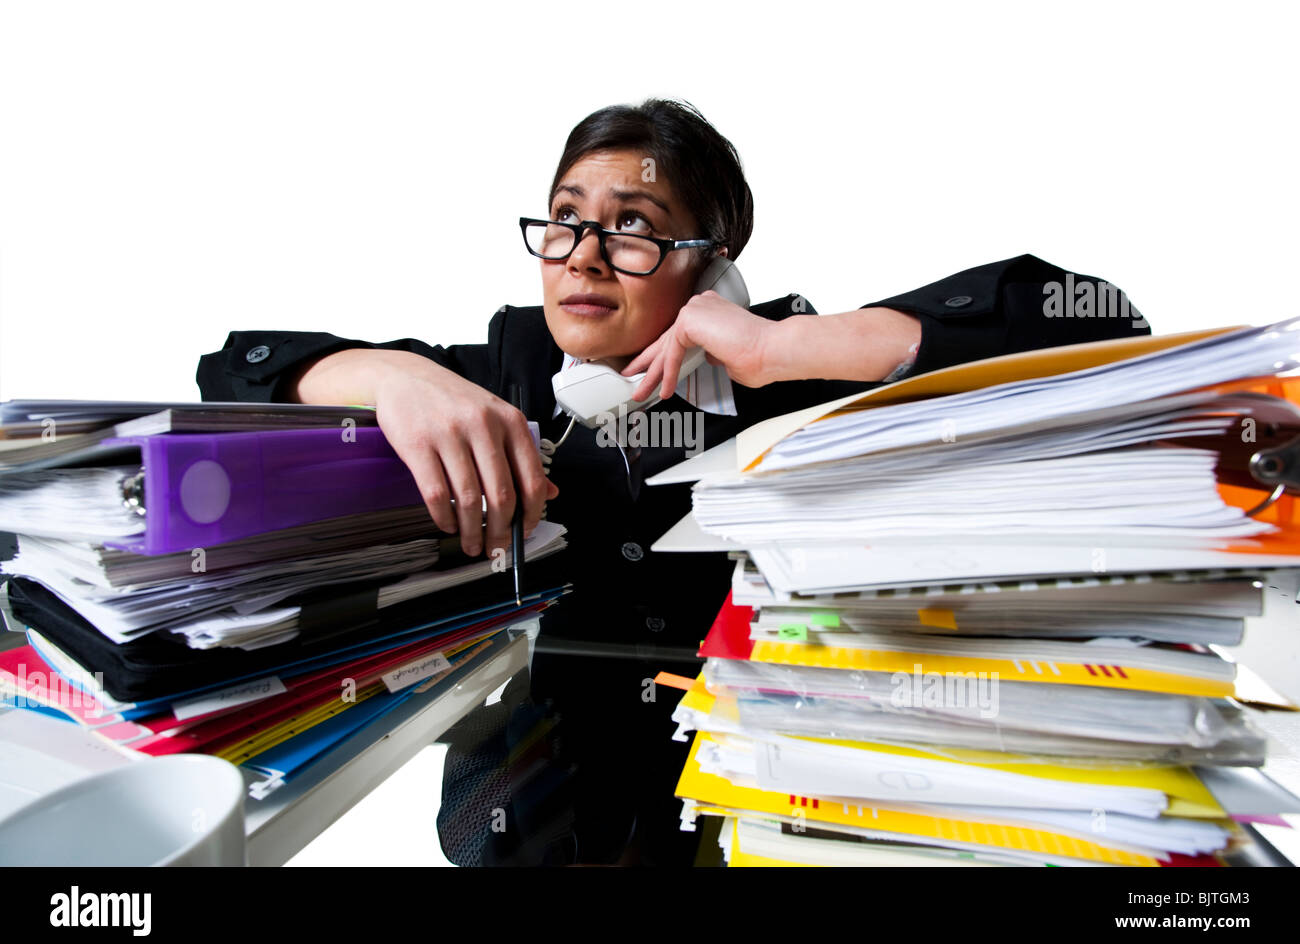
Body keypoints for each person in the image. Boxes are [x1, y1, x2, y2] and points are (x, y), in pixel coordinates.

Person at [196, 98, 1150, 865]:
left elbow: (1098, 322)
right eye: (566, 219)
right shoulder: (508, 364)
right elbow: (235, 367)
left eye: (633, 228)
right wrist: (390, 376)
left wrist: (790, 345)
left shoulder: (791, 368)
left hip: (768, 777)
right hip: (537, 800)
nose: (580, 255)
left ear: (712, 261)